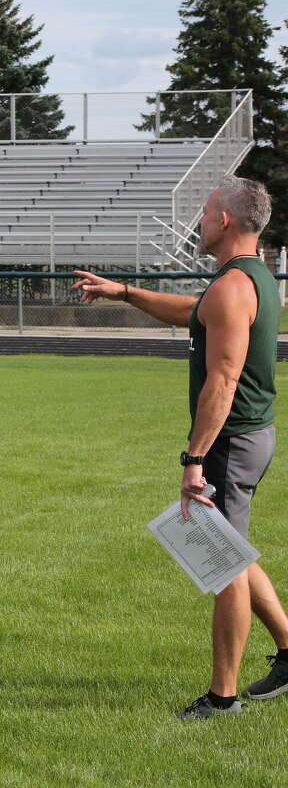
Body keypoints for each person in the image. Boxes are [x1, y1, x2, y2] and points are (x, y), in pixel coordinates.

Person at [73, 176, 288, 720]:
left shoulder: (233, 286)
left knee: (224, 566)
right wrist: (124, 292)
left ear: (225, 222)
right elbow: (194, 311)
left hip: (232, 442)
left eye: (206, 212)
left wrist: (194, 460)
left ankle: (222, 699)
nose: (199, 221)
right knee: (230, 549)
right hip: (249, 436)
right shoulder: (247, 278)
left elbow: (224, 380)